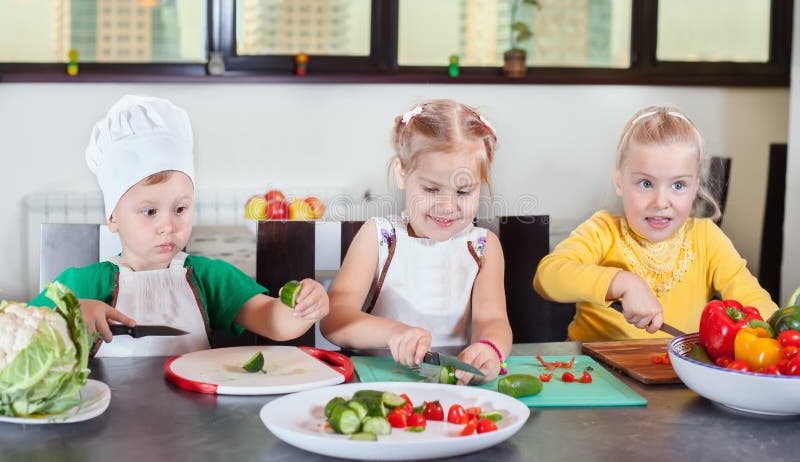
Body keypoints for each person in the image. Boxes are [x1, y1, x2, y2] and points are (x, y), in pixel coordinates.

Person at [30, 95, 329, 356]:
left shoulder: (210, 277)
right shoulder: (83, 285)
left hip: (198, 417)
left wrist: (303, 307)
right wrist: (64, 316)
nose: (168, 226)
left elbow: (271, 319)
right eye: (149, 211)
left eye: (181, 209)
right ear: (113, 218)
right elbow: (18, 330)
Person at [534, 106, 778, 341]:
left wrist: (780, 336)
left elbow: (753, 300)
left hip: (674, 373)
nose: (661, 202)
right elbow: (548, 277)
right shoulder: (602, 231)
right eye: (646, 184)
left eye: (678, 185)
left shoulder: (707, 238)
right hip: (593, 371)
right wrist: (621, 283)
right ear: (619, 181)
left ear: (695, 187)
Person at [320, 99, 512, 384]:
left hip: (454, 390)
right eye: (431, 189)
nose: (447, 207)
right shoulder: (378, 238)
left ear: (480, 184)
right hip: (376, 385)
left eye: (463, 192)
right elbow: (335, 320)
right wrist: (393, 333)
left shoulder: (483, 247)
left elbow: (492, 320)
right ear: (402, 173)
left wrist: (490, 348)